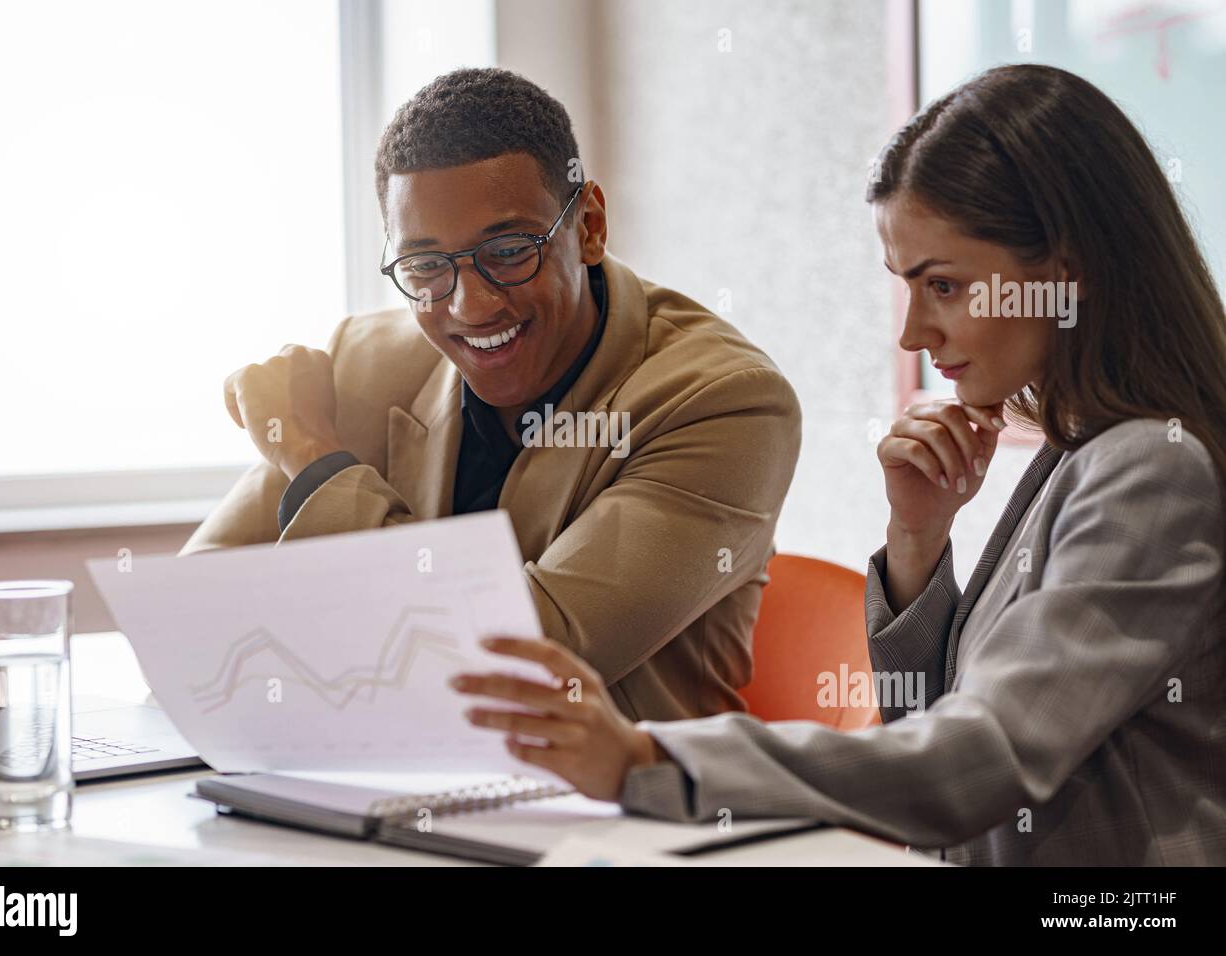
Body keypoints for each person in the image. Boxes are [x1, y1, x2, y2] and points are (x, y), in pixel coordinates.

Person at [451, 64, 1226, 865]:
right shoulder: (1089, 452)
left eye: (946, 286)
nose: (914, 333)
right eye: (908, 289)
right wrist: (918, 537)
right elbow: (934, 724)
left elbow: (981, 764)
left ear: (1066, 273)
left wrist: (652, 762)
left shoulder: (1150, 469)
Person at [180, 67, 801, 722]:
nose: (469, 305)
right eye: (424, 265)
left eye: (508, 250)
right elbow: (195, 605)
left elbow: (527, 661)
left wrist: (316, 464)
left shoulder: (726, 402)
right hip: (362, 780)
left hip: (616, 813)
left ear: (589, 225)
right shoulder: (363, 361)